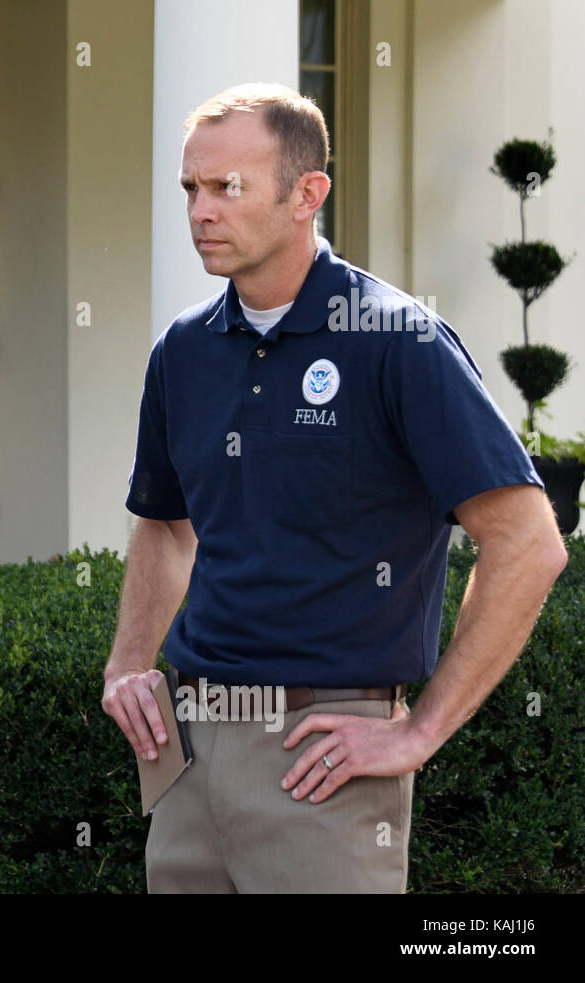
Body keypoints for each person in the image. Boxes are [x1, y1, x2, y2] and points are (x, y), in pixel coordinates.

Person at [101, 84, 567, 893]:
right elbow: (167, 526)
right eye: (191, 188)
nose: (200, 210)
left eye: (227, 187)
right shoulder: (183, 350)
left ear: (306, 194)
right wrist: (127, 662)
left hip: (321, 759)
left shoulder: (399, 343)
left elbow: (528, 541)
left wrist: (420, 730)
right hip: (187, 755)